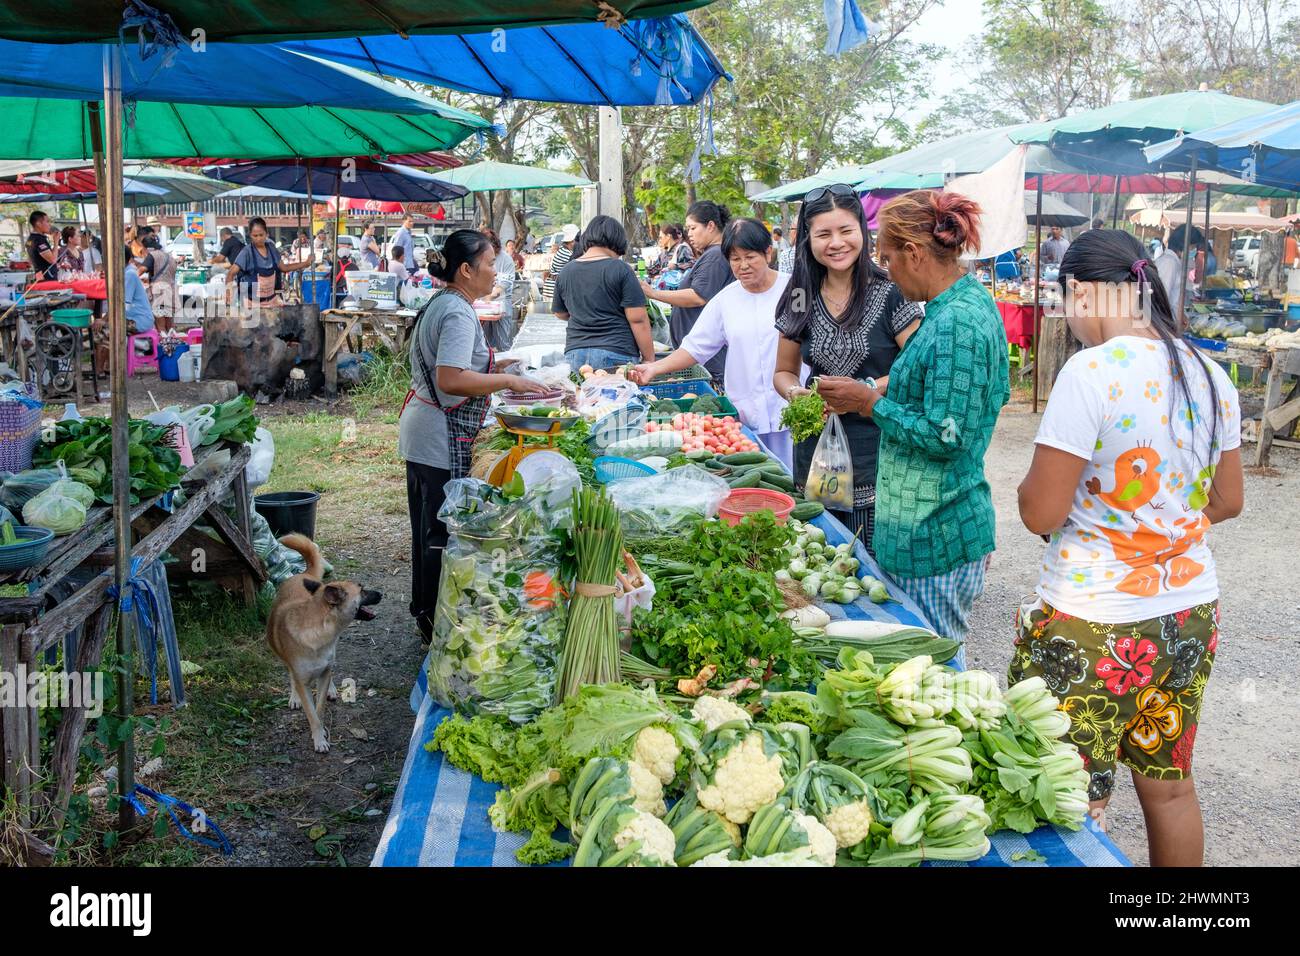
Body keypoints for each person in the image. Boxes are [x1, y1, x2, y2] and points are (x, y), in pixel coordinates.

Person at [1011, 229, 1242, 867]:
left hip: (1091, 621)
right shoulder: (1209, 371)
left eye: (1064, 301)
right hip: (1188, 614)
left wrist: (1044, 502)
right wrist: (1161, 533)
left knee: (1060, 796)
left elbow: (1042, 510)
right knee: (1170, 789)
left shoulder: (1091, 372)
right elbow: (1227, 500)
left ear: (1081, 290)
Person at [859, 190, 1010, 659]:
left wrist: (870, 405)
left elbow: (948, 435)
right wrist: (888, 389)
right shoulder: (956, 307)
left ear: (914, 253)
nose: (887, 270)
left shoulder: (956, 323)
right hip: (925, 525)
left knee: (935, 666)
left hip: (936, 531)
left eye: (887, 259)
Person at [398, 230, 543, 643]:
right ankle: (432, 625)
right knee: (438, 533)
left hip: (426, 430)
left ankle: (428, 613)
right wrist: (507, 381)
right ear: (466, 269)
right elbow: (451, 378)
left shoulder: (447, 302)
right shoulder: (458, 312)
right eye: (490, 264)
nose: (496, 272)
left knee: (430, 527)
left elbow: (462, 363)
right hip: (435, 436)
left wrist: (508, 364)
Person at [771, 184, 922, 545]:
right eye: (823, 234)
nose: (836, 243)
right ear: (808, 239)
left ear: (862, 232)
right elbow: (783, 371)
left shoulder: (892, 290)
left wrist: (867, 391)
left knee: (873, 565)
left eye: (846, 231)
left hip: (878, 452)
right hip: (815, 456)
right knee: (820, 559)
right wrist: (795, 393)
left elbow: (918, 367)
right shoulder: (799, 295)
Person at [632, 218, 801, 469]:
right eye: (735, 259)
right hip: (746, 419)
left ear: (768, 252)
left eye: (750, 256)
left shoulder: (797, 291)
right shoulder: (725, 301)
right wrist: (654, 368)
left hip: (794, 411)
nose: (743, 265)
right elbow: (695, 347)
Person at [642, 200, 734, 382]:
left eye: (693, 228)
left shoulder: (715, 256)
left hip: (710, 359)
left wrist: (653, 293)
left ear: (711, 226)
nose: (689, 234)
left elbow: (698, 296)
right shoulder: (711, 254)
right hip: (701, 355)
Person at [553, 215, 653, 370]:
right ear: (617, 241)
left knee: (581, 394)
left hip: (575, 354)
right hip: (617, 352)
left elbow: (560, 313)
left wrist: (583, 313)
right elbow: (638, 319)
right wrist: (649, 360)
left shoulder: (566, 271)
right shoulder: (621, 269)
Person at [226, 217, 311, 307]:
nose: (258, 238)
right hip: (251, 302)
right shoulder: (247, 252)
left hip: (271, 300)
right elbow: (231, 273)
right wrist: (228, 292)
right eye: (255, 236)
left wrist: (305, 263)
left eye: (261, 235)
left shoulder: (271, 248)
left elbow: (284, 268)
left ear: (266, 234)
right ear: (250, 235)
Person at [1155, 224, 1202, 316]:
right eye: (1192, 247)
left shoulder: (1174, 261)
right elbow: (1162, 297)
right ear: (1183, 244)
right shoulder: (1169, 262)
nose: (1194, 250)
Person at [141, 233, 178, 331]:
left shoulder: (152, 255)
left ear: (147, 248)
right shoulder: (169, 256)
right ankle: (172, 344)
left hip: (159, 294)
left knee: (161, 327)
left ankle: (163, 345)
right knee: (170, 326)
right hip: (171, 292)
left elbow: (141, 270)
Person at [541, 223, 578, 306]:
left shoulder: (564, 250)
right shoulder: (566, 254)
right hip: (553, 290)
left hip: (555, 288)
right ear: (571, 241)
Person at [26, 211, 58, 281]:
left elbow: (31, 259)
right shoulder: (39, 240)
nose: (49, 225)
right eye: (47, 222)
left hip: (40, 276)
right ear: (38, 224)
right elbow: (52, 260)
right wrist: (56, 241)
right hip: (47, 278)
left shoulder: (30, 239)